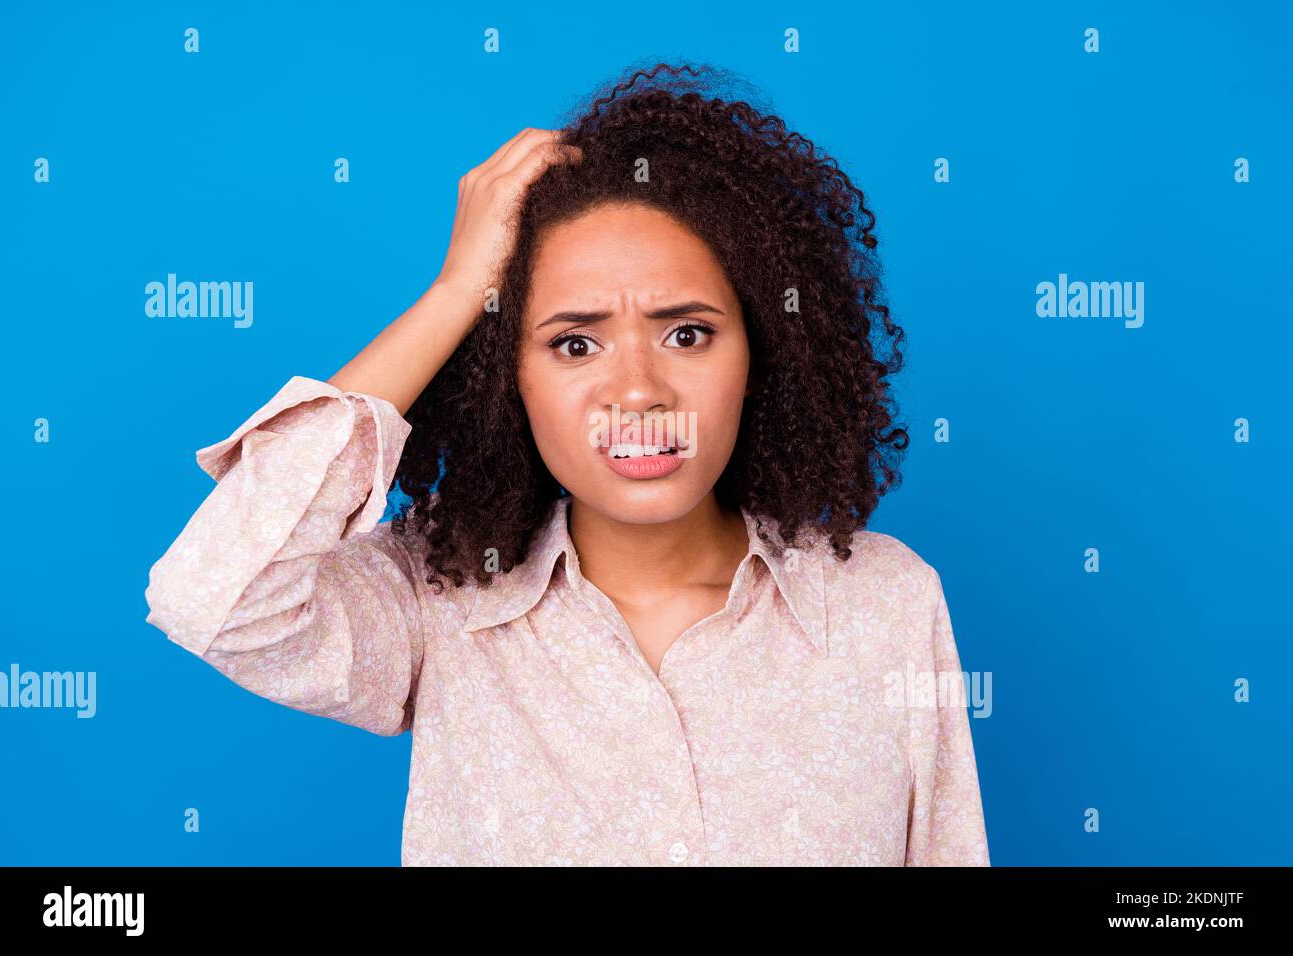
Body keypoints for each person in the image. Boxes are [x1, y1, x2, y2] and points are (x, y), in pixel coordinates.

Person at [145, 62, 990, 866]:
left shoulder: (885, 605)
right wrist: (456, 293)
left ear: (761, 352)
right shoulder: (436, 601)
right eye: (575, 344)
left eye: (687, 333)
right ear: (505, 379)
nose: (638, 390)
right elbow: (213, 598)